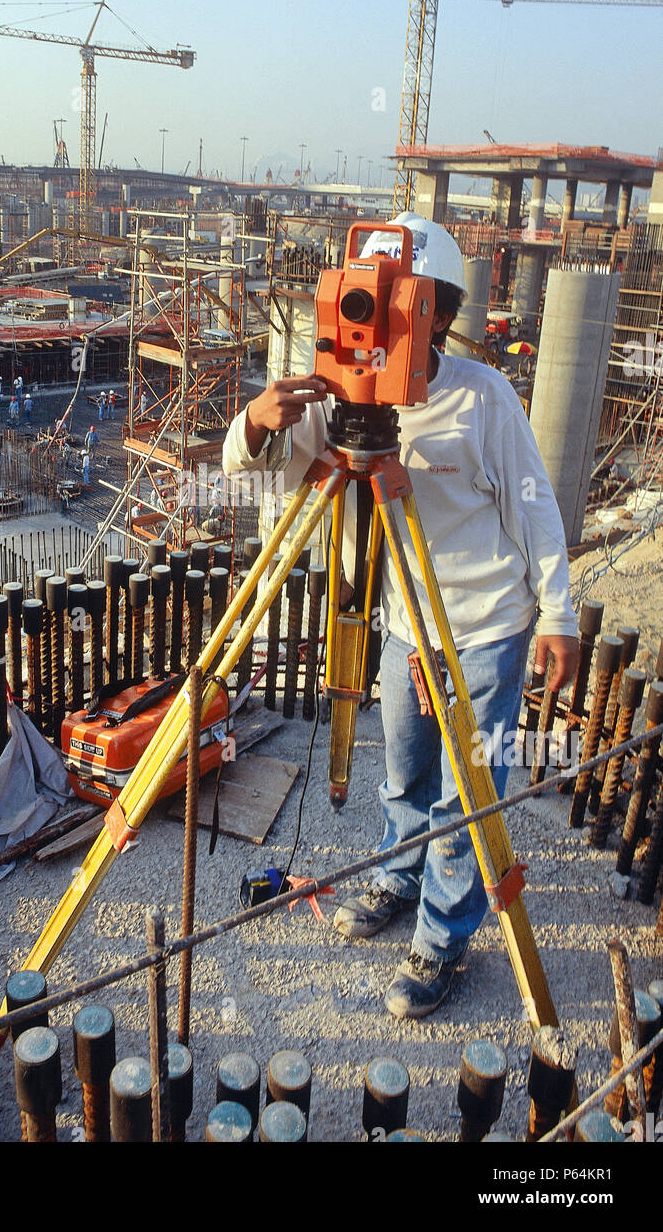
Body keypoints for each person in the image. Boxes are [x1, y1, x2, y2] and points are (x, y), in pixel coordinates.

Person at [222, 212, 579, 1020]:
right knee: (403, 773)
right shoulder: (333, 398)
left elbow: (535, 508)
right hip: (403, 623)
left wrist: (557, 613)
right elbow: (249, 471)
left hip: (484, 626)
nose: (375, 326)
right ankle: (398, 870)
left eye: (399, 307)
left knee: (464, 793)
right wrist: (257, 421)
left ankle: (443, 938)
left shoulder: (484, 397)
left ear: (439, 315)